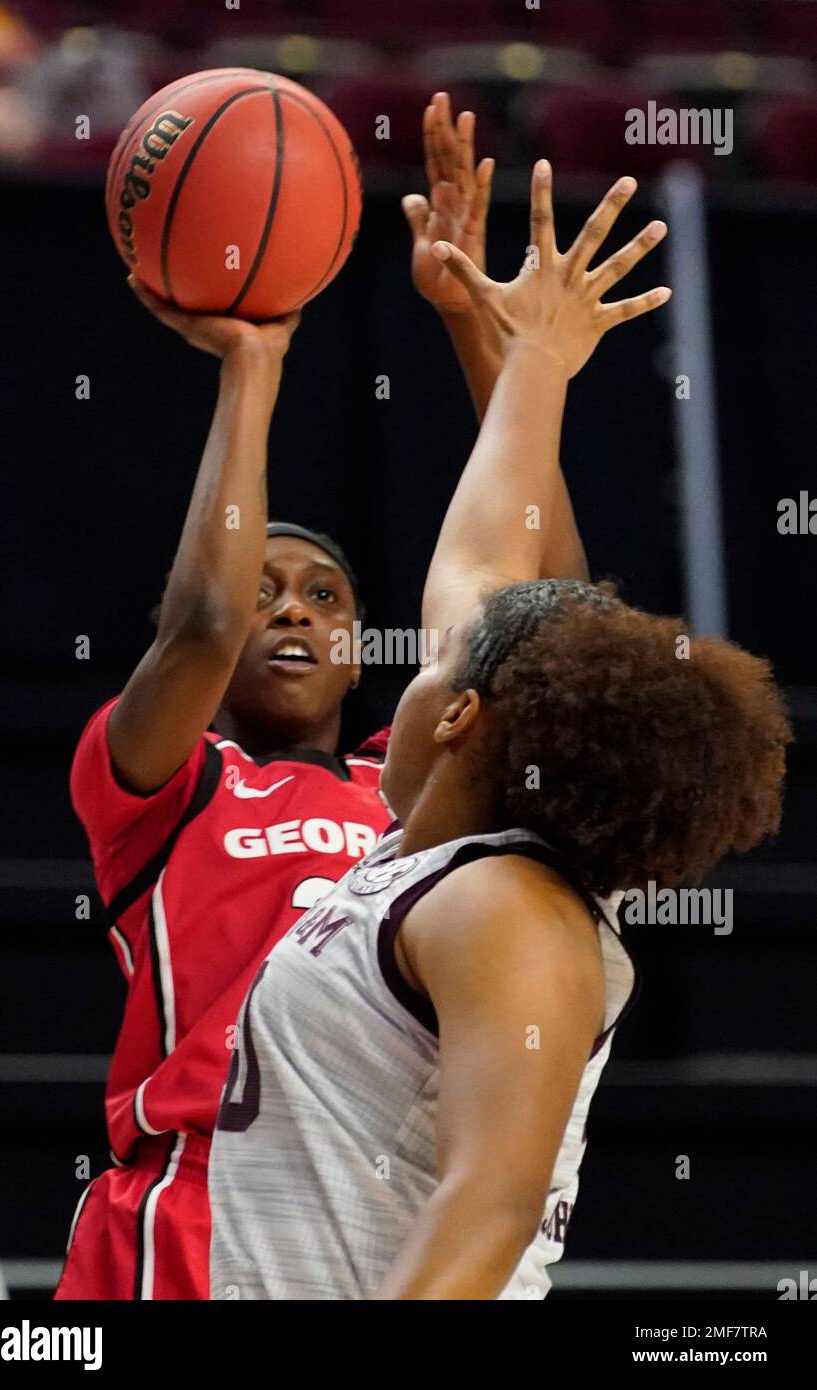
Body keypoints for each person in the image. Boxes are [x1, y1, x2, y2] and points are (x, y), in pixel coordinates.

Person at [55, 97, 658, 1300]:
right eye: (266, 584)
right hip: (180, 1222)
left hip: (375, 1215)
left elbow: (554, 637)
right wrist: (255, 361)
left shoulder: (423, 786)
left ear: (363, 649)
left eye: (325, 594)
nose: (289, 610)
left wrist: (491, 340)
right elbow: (207, 618)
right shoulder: (171, 786)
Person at [207, 161, 791, 1301]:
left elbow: (490, 1199)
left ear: (464, 717)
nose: (415, 663)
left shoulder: (508, 912)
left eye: (437, 666)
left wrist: (529, 357)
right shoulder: (449, 857)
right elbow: (491, 563)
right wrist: (516, 349)